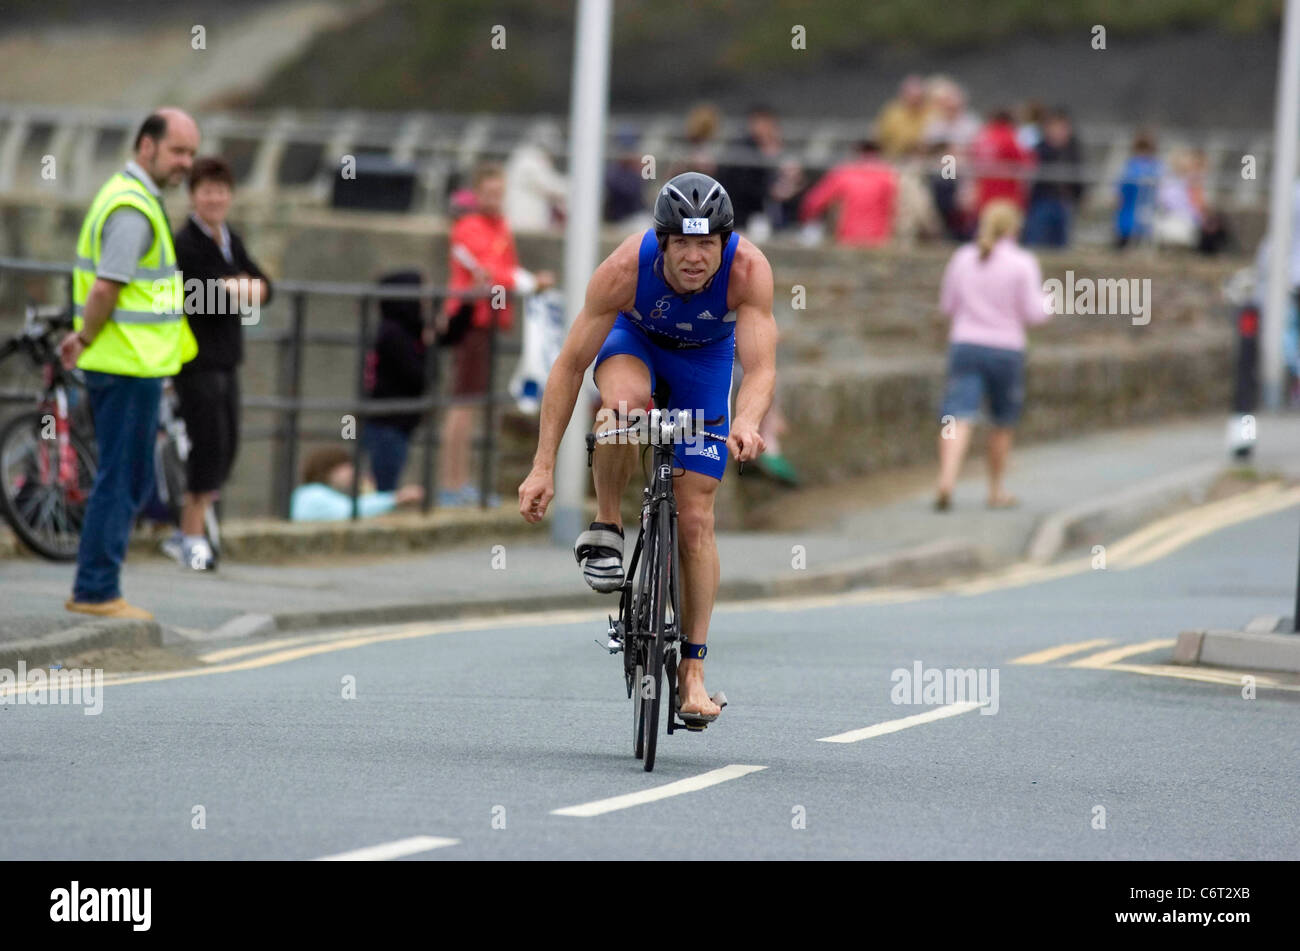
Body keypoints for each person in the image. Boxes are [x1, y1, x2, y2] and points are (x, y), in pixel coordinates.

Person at [517, 172, 776, 723]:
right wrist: (542, 468)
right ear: (662, 241)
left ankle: (692, 673)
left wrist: (749, 423)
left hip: (705, 362)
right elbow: (567, 367)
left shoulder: (749, 269)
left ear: (724, 243)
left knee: (695, 522)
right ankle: (608, 523)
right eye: (682, 242)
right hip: (632, 342)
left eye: (707, 244)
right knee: (625, 409)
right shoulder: (623, 270)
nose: (694, 257)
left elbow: (760, 367)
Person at [58, 108, 200, 618]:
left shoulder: (130, 196)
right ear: (147, 147)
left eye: (191, 152)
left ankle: (98, 585)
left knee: (127, 476)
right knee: (121, 477)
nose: (186, 162)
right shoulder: (133, 208)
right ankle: (96, 590)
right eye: (177, 151)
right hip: (124, 366)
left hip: (131, 365)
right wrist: (86, 336)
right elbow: (106, 286)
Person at [165, 155, 271, 571]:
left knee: (227, 448)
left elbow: (266, 289)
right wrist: (238, 288)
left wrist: (237, 287)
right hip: (196, 360)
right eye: (207, 190)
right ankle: (190, 535)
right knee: (206, 447)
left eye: (221, 190)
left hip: (227, 360)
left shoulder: (230, 240)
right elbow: (199, 298)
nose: (215, 198)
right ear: (193, 195)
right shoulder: (185, 243)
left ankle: (188, 531)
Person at [441, 162, 554, 506]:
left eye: (499, 193)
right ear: (477, 194)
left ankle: (461, 484)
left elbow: (502, 269)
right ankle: (452, 484)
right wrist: (531, 283)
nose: (495, 199)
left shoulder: (499, 226)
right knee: (463, 404)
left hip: (489, 320)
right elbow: (489, 272)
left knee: (472, 403)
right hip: (472, 321)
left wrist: (526, 280)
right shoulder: (469, 227)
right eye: (489, 193)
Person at [934, 200, 1050, 511]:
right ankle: (996, 490)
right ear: (1014, 228)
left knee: (957, 416)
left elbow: (947, 305)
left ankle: (946, 480)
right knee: (1001, 422)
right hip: (1006, 348)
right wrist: (1050, 302)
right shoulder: (1023, 263)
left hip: (965, 343)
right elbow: (1034, 314)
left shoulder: (962, 257)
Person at [363, 271, 430, 491]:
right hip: (386, 427)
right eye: (421, 294)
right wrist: (427, 347)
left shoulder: (400, 329)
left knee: (382, 484)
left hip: (391, 426)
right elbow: (417, 376)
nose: (426, 300)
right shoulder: (394, 333)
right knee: (383, 490)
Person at [798, 140, 898, 247]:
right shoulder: (890, 176)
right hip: (880, 239)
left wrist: (808, 221)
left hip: (848, 237)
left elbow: (813, 203)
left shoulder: (844, 174)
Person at [290, 447, 423, 521]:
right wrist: (395, 499)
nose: (352, 472)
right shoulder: (314, 494)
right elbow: (351, 510)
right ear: (329, 470)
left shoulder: (313, 492)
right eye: (345, 467)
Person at [1022, 109, 1084, 248]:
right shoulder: (1039, 149)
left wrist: (1078, 196)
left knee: (1061, 245)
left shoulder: (1073, 150)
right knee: (1037, 242)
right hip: (1041, 201)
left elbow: (1079, 176)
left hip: (1064, 202)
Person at [504, 121, 567, 233]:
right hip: (523, 225)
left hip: (526, 224)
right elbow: (552, 187)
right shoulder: (528, 159)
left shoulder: (525, 157)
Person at [969, 109, 1036, 214]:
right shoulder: (1011, 138)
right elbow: (1027, 164)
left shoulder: (982, 138)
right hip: (1007, 198)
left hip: (984, 197)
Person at [1115, 131, 1161, 248]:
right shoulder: (1131, 165)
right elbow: (1121, 187)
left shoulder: (1155, 166)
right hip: (1130, 206)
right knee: (1126, 234)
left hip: (1146, 208)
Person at [873, 75, 931, 158]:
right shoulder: (892, 114)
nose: (915, 101)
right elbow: (879, 138)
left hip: (924, 158)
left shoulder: (931, 113)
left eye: (919, 97)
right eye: (912, 97)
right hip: (896, 158)